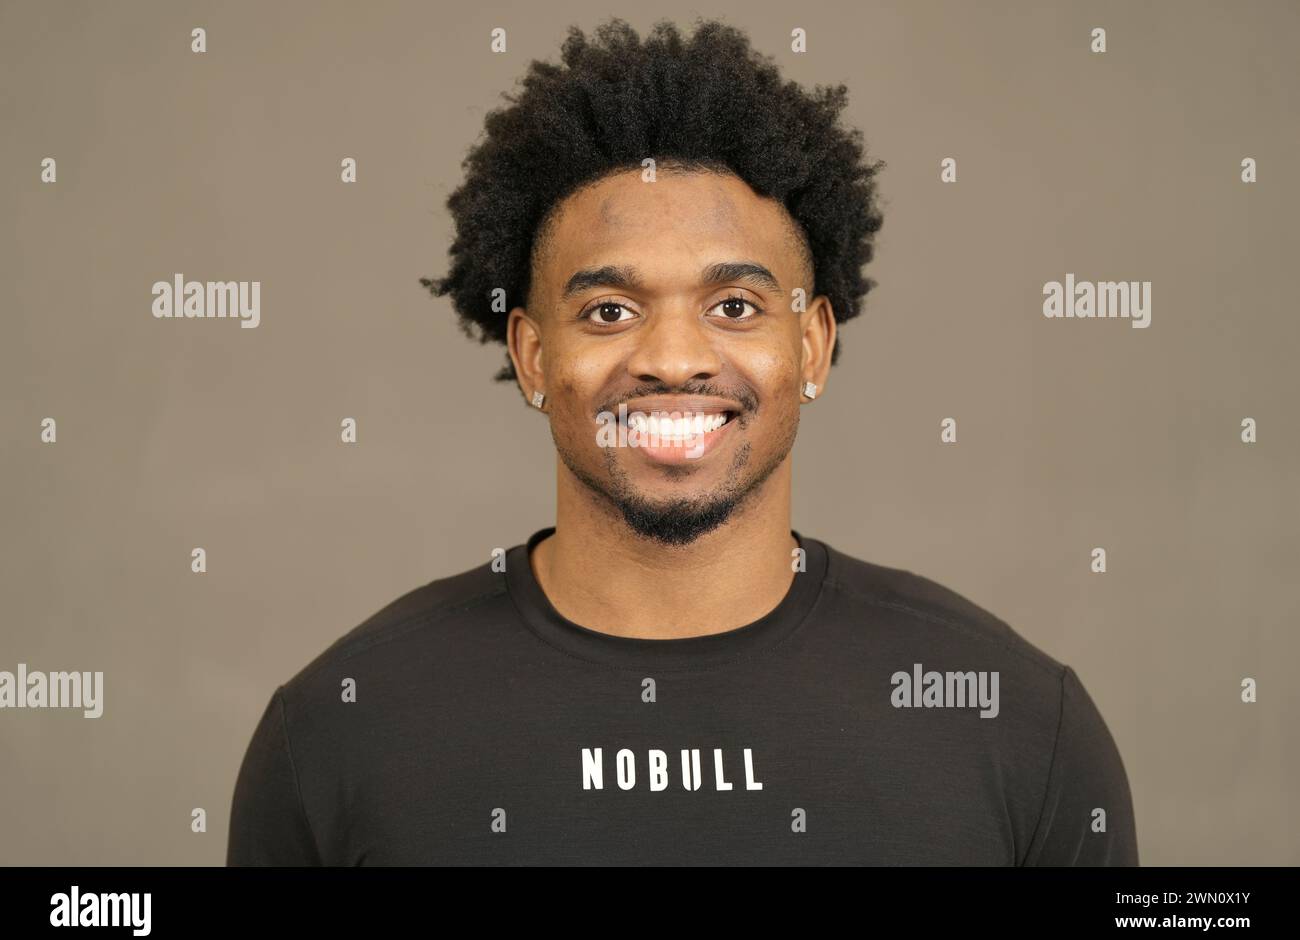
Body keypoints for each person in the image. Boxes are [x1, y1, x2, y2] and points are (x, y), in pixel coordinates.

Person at [227, 16, 1137, 866]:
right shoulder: (344, 729)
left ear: (812, 344)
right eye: (610, 310)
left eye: (734, 307)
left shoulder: (1010, 720)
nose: (671, 359)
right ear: (534, 355)